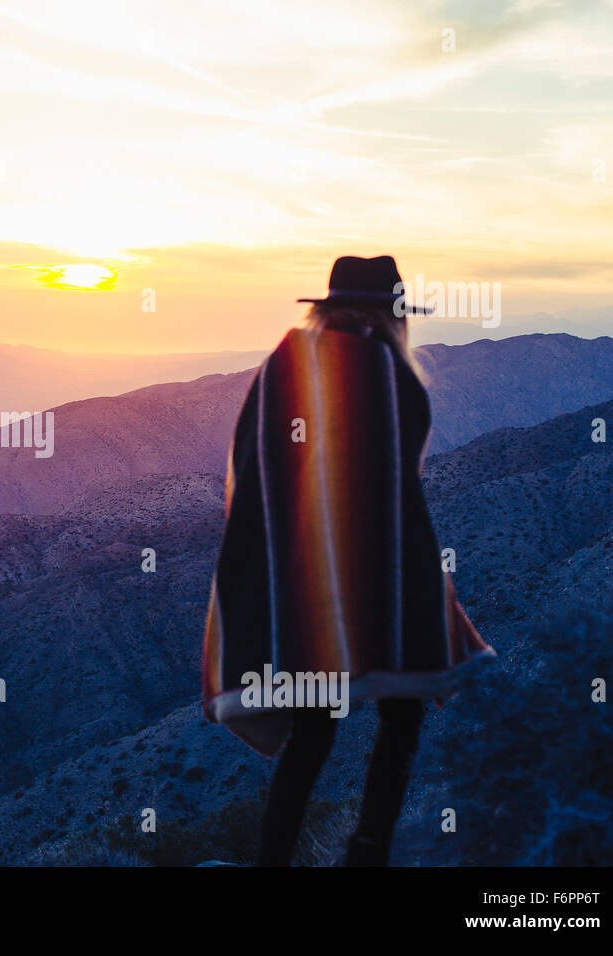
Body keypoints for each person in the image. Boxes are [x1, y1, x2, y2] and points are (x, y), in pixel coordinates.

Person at [201, 255, 495, 866]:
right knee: (402, 712)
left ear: (325, 307)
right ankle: (368, 849)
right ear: (393, 315)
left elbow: (253, 473)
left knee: (313, 730)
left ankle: (272, 858)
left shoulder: (284, 364)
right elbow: (399, 476)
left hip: (301, 576)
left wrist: (274, 561)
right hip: (381, 570)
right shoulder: (388, 369)